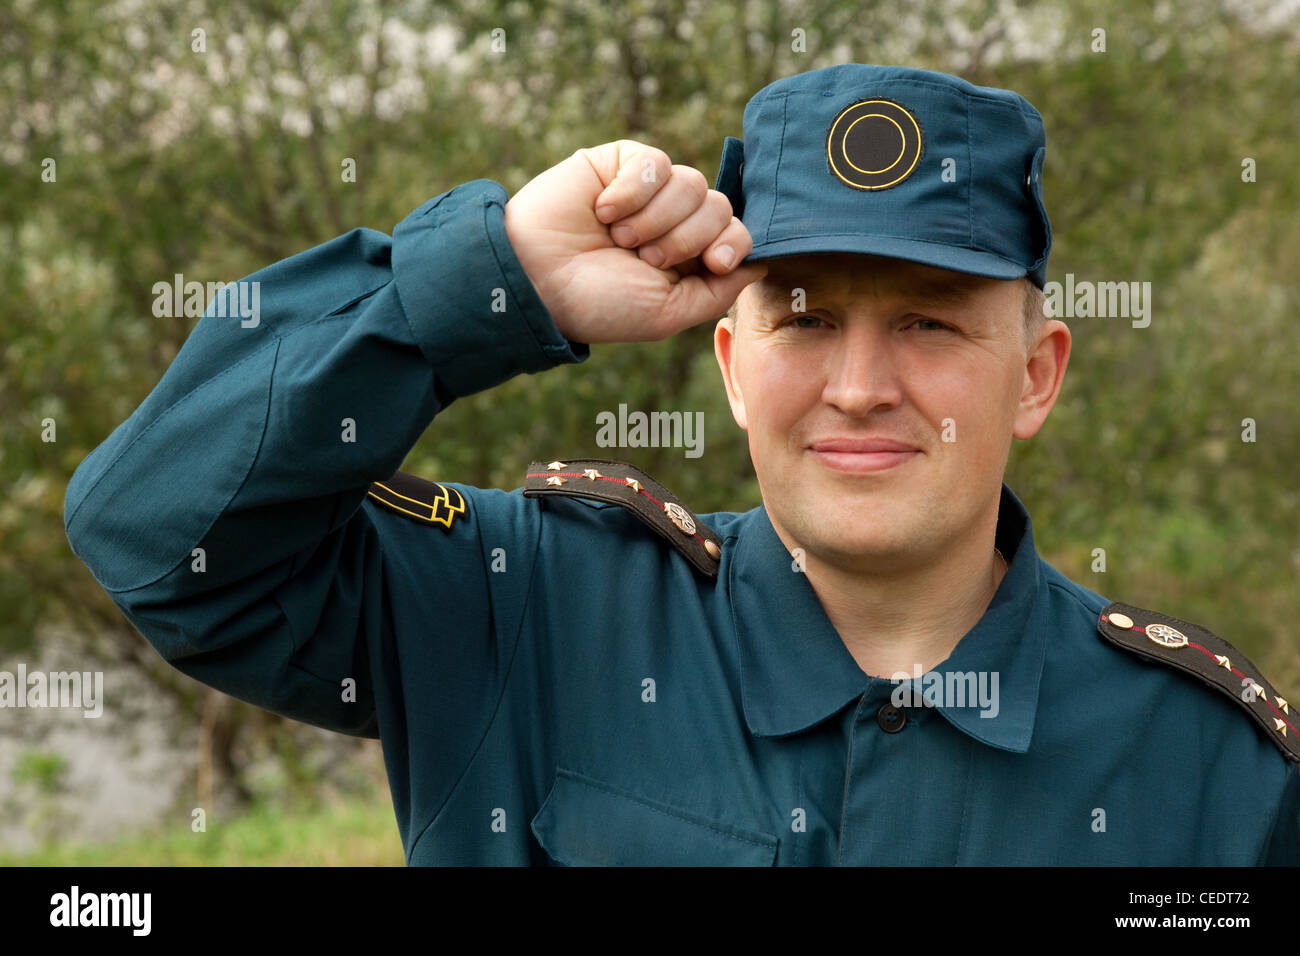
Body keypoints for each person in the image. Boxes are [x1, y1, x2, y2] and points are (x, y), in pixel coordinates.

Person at [64, 63, 1297, 865]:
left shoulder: (1215, 772)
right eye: (804, 318)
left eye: (928, 320)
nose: (859, 384)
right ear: (727, 362)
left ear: (1035, 373)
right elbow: (162, 540)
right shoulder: (521, 606)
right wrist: (487, 278)